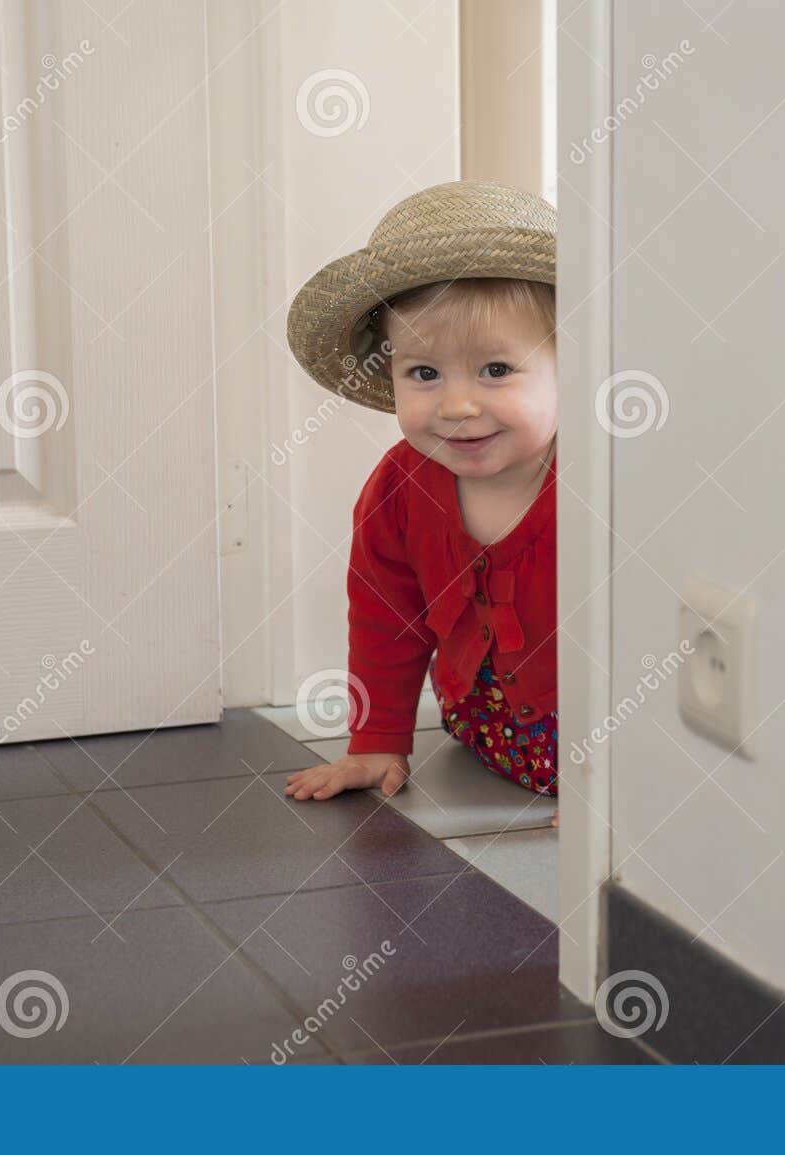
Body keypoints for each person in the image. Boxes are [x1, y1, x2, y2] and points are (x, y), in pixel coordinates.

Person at [281, 180, 560, 826]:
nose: (457, 406)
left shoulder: (600, 484)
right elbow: (386, 616)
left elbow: (639, 638)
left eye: (496, 370)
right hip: (484, 732)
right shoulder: (399, 490)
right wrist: (376, 740)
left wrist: (619, 779)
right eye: (424, 374)